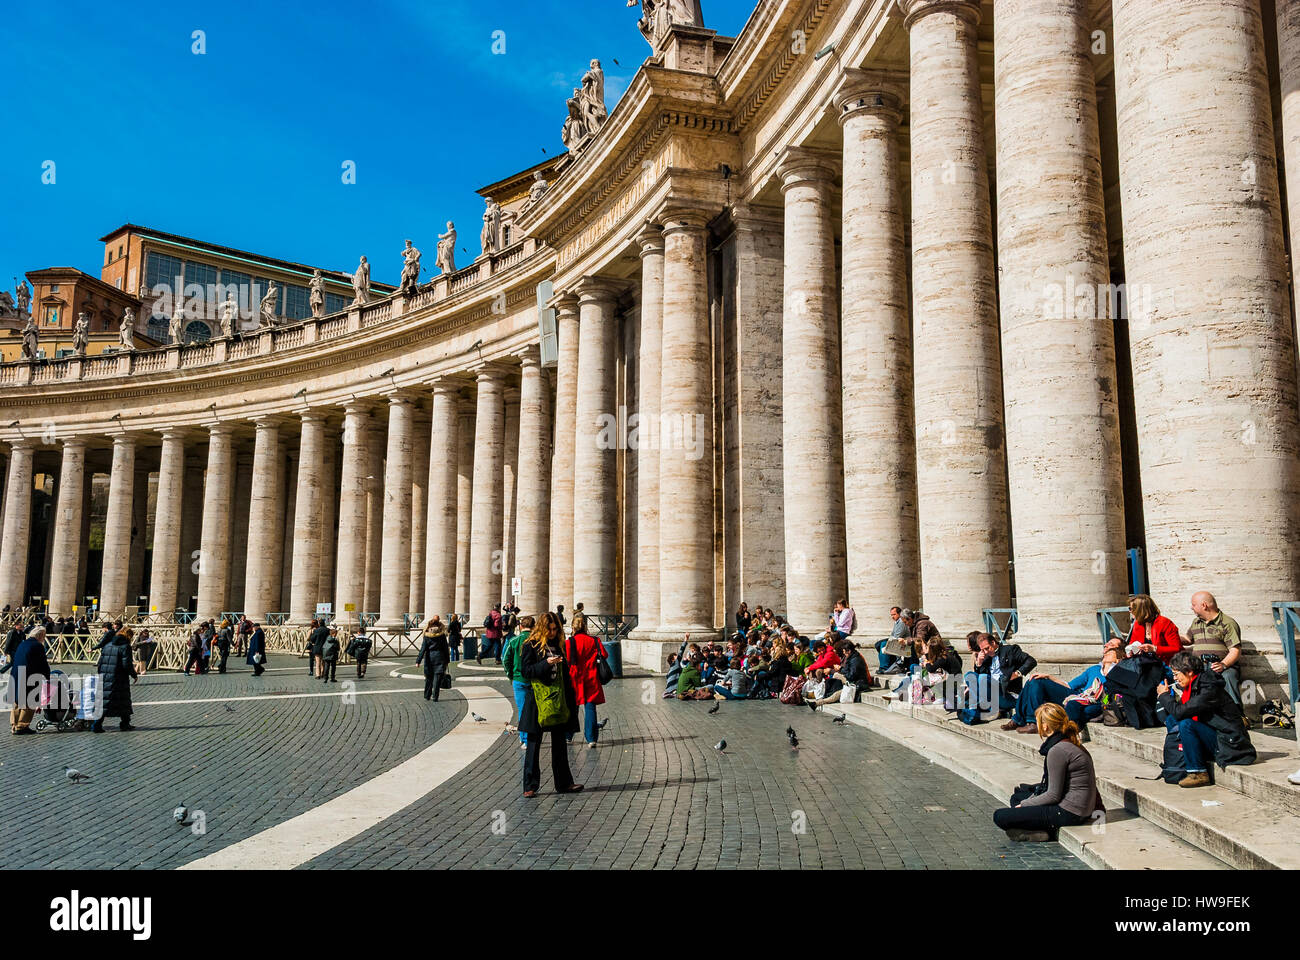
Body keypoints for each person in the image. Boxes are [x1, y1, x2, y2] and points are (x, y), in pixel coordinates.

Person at [992, 703, 1103, 841]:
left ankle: (1046, 832)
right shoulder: (1069, 742)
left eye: (1038, 722)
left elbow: (1053, 795)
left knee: (1000, 816)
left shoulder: (1058, 750)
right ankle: (1036, 829)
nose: (1037, 726)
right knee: (1017, 797)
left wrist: (1025, 805)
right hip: (1080, 806)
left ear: (1045, 726)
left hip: (1070, 811)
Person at [1156, 651, 1256, 788]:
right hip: (1218, 736)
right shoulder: (1196, 685)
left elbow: (1181, 712)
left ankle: (1197, 773)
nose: (1175, 679)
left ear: (1189, 671)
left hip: (1230, 743)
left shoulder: (1209, 688)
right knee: (1174, 720)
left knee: (1186, 724)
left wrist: (1164, 696)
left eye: (1176, 674)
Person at [518, 611, 583, 797]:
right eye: (550, 629)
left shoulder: (557, 645)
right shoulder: (530, 645)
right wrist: (545, 663)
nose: (553, 632)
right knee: (533, 743)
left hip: (557, 698)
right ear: (542, 628)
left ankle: (564, 783)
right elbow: (526, 671)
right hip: (537, 701)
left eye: (556, 629)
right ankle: (529, 786)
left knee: (560, 744)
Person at [1002, 648, 1121, 733]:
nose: (1105, 652)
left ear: (1118, 659)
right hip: (1078, 695)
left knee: (1036, 682)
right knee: (1034, 680)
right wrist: (1048, 676)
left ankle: (1026, 721)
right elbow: (1069, 685)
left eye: (1110, 652)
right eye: (1105, 649)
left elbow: (1111, 695)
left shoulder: (1117, 674)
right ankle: (1026, 721)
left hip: (1094, 700)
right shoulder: (1094, 669)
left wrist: (1103, 702)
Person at [1182, 591, 1244, 706]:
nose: (1191, 607)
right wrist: (1168, 636)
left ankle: (1237, 714)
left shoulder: (1227, 623)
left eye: (1194, 604)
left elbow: (1235, 650)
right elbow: (1188, 639)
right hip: (1200, 667)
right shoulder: (1196, 622)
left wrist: (1223, 665)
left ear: (1204, 605)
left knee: (1228, 677)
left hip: (1223, 667)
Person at [965, 632, 1037, 719]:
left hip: (1006, 694)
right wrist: (979, 663)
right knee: (969, 676)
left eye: (987, 648)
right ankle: (977, 710)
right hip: (990, 694)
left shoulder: (1010, 650)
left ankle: (978, 710)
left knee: (982, 678)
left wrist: (1017, 673)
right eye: (983, 650)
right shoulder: (986, 657)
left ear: (993, 643)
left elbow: (1031, 661)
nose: (985, 652)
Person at [566, 613, 608, 747]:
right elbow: (605, 655)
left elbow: (566, 660)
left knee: (573, 708)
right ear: (585, 627)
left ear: (573, 627)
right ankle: (591, 739)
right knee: (590, 708)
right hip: (591, 677)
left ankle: (568, 736)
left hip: (575, 678)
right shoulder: (595, 640)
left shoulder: (569, 642)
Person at [7, 626, 50, 734]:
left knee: (17, 701)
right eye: (44, 636)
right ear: (40, 636)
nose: (44, 638)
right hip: (29, 675)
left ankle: (14, 724)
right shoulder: (38, 646)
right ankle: (22, 726)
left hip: (16, 674)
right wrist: (47, 676)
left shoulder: (23, 643)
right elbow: (43, 664)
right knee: (28, 701)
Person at [93, 627, 137, 732]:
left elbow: (100, 662)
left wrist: (101, 674)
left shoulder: (107, 645)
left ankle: (97, 725)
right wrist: (134, 674)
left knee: (104, 701)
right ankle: (125, 723)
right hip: (119, 677)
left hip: (105, 676)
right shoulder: (125, 647)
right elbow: (127, 664)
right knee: (123, 700)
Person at [502, 615, 535, 748]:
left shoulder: (514, 641)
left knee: (522, 709)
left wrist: (511, 675)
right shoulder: (537, 641)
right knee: (534, 710)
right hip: (533, 680)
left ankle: (524, 739)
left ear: (520, 626)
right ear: (534, 627)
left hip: (518, 679)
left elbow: (506, 660)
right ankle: (532, 736)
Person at [1126, 594, 1182, 662]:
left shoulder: (1165, 623)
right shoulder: (1138, 624)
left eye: (1131, 608)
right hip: (1146, 663)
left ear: (1141, 610)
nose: (1129, 611)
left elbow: (1177, 648)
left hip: (1166, 663)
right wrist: (1131, 651)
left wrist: (1154, 648)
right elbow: (1133, 642)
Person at [415, 618, 449, 701]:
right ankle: (435, 696)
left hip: (429, 657)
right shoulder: (442, 635)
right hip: (440, 657)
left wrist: (418, 661)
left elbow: (423, 649)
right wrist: (447, 660)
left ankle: (427, 695)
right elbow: (446, 648)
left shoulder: (427, 635)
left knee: (429, 678)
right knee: (437, 678)